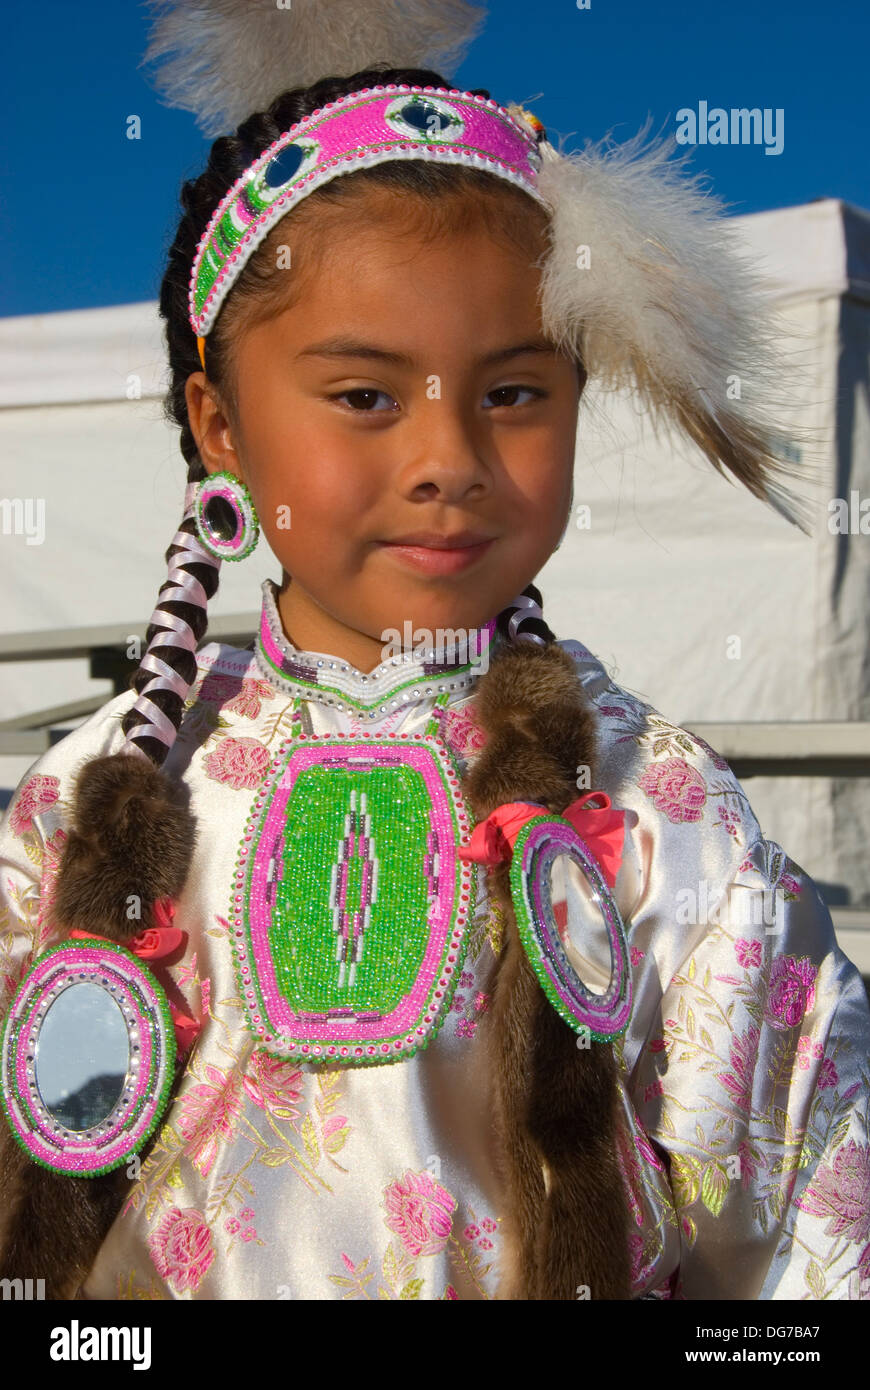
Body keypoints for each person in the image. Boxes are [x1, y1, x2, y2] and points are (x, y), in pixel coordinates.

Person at [1, 1, 868, 1301]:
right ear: (219, 423)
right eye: (362, 395)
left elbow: (806, 1215)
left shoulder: (655, 809)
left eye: (513, 391)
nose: (448, 461)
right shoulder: (84, 808)